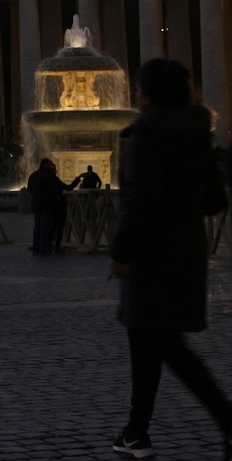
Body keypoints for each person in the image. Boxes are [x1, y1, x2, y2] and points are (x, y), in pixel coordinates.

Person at [110, 58, 232, 459]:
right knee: (150, 343)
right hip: (187, 252)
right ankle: (135, 432)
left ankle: (227, 421)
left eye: (138, 88)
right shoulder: (197, 134)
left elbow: (140, 202)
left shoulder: (147, 134)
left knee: (165, 346)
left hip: (150, 255)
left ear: (147, 95)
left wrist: (120, 251)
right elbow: (215, 200)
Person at [27, 158, 69, 256]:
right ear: (46, 165)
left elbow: (30, 188)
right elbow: (55, 191)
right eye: (50, 164)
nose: (52, 166)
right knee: (46, 228)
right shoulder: (50, 177)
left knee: (37, 227)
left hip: (36, 204)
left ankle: (36, 248)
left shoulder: (33, 175)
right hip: (47, 205)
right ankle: (44, 249)